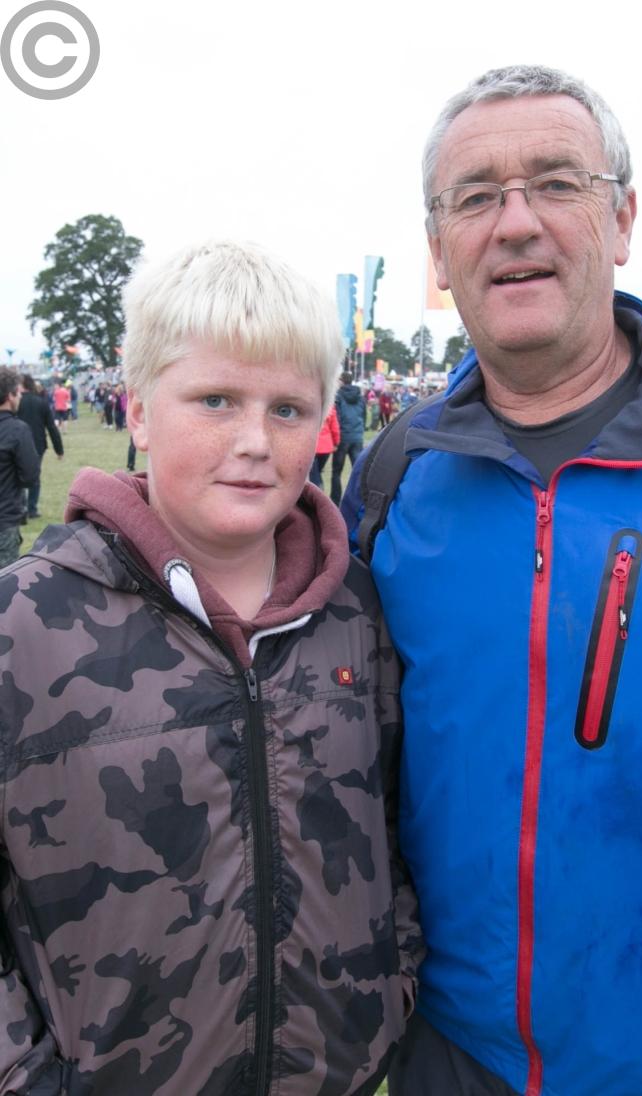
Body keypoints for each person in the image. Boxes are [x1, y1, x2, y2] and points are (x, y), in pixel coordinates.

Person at [342, 65, 642, 1096]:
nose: (515, 221)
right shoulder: (393, 480)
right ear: (439, 249)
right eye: (475, 197)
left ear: (622, 220)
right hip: (450, 1049)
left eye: (557, 183)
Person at [0, 240, 422, 1095]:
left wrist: (392, 983)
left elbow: (396, 822)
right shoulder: (22, 624)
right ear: (139, 413)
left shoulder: (359, 613)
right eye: (216, 400)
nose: (254, 442)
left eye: (288, 409)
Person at [0, 368, 39, 568]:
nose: (20, 397)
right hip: (5, 518)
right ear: (10, 396)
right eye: (18, 393)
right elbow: (30, 476)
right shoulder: (17, 430)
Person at [15, 373, 64, 518]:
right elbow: (51, 427)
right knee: (34, 477)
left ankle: (21, 508)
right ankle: (32, 509)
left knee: (16, 476)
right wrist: (59, 449)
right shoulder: (41, 402)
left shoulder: (14, 402)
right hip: (37, 444)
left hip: (17, 443)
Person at [330, 370, 367, 506]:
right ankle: (360, 499)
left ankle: (335, 501)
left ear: (341, 381)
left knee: (337, 472)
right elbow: (363, 415)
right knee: (358, 471)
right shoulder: (360, 397)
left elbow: (337, 418)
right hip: (357, 436)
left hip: (343, 437)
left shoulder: (338, 396)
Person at [309, 402, 341, 488]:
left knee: (314, 475)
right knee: (317, 472)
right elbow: (335, 428)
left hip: (313, 446)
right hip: (326, 447)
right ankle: (319, 488)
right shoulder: (330, 407)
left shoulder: (309, 404)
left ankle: (318, 490)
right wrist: (336, 443)